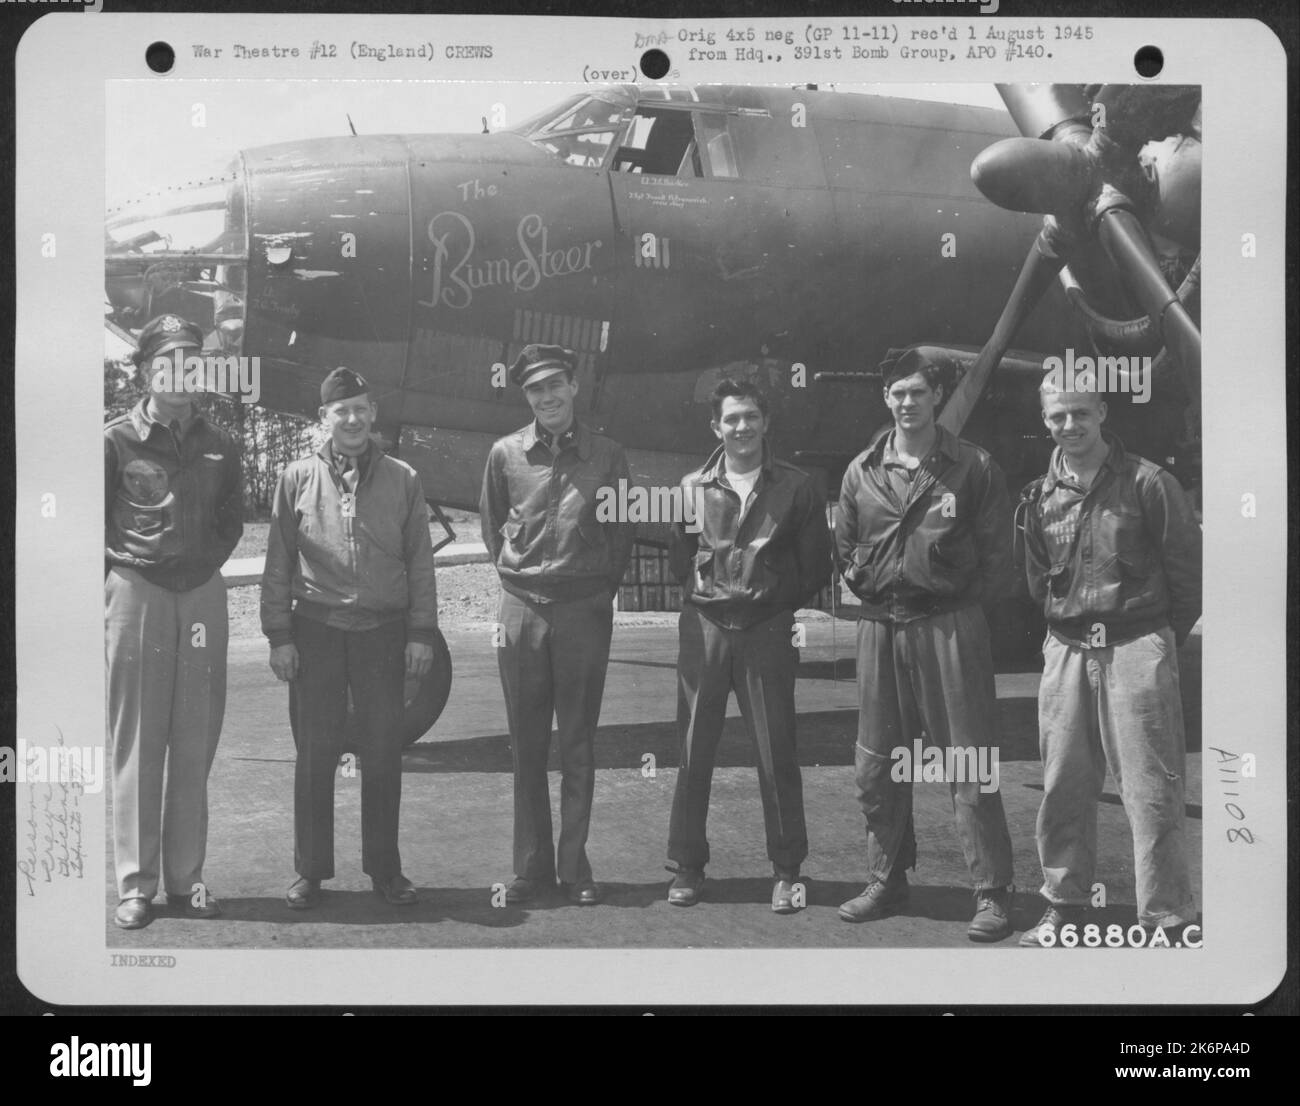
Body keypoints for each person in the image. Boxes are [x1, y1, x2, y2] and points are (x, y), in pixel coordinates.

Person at [834, 351, 1016, 942]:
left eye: (916, 392)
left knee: (968, 760)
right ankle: (886, 879)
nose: (906, 402)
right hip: (879, 627)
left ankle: (991, 892)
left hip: (949, 625)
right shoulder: (861, 471)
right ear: (884, 398)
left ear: (936, 396)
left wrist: (952, 601)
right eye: (896, 393)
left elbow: (996, 558)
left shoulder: (974, 467)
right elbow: (846, 548)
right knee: (876, 761)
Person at [1018, 373, 1202, 946]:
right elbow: (1035, 581)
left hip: (1135, 645)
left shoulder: (1150, 483)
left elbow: (1187, 574)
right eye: (1056, 417)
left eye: (1079, 413)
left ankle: (1168, 918)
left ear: (1102, 411)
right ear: (1044, 420)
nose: (1069, 426)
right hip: (1067, 647)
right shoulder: (1037, 497)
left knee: (1150, 787)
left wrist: (1152, 641)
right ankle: (1065, 905)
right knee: (1063, 783)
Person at [261, 367, 438, 910]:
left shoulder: (403, 477)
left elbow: (421, 561)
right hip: (317, 631)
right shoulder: (296, 477)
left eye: (361, 407)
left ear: (373, 414)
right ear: (324, 419)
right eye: (342, 410)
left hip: (383, 634)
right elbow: (278, 561)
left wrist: (422, 632)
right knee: (315, 753)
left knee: (384, 753)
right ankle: (310, 872)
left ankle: (386, 870)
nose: (353, 418)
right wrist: (279, 635)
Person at [665, 379, 830, 913]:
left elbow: (813, 567)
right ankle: (688, 866)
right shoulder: (691, 487)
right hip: (706, 627)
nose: (742, 428)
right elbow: (680, 557)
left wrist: (771, 601)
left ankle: (787, 871)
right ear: (716, 427)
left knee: (776, 749)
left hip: (766, 629)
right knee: (693, 750)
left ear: (765, 423)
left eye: (751, 417)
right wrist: (712, 598)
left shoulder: (798, 487)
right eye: (732, 419)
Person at [479, 344, 633, 906]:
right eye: (534, 390)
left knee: (577, 742)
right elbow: (493, 527)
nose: (546, 397)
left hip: (582, 610)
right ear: (527, 397)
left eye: (554, 385)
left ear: (573, 386)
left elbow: (621, 536)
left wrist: (592, 592)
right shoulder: (505, 454)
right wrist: (520, 583)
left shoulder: (609, 455)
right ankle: (530, 868)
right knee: (525, 744)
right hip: (521, 608)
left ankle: (575, 867)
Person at [105, 313, 244, 929]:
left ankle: (186, 877)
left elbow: (232, 517)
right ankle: (136, 884)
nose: (183, 372)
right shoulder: (115, 441)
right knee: (138, 738)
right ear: (146, 370)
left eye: (193, 361)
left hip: (201, 594)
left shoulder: (222, 442)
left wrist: (203, 566)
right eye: (169, 362)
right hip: (138, 590)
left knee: (195, 737)